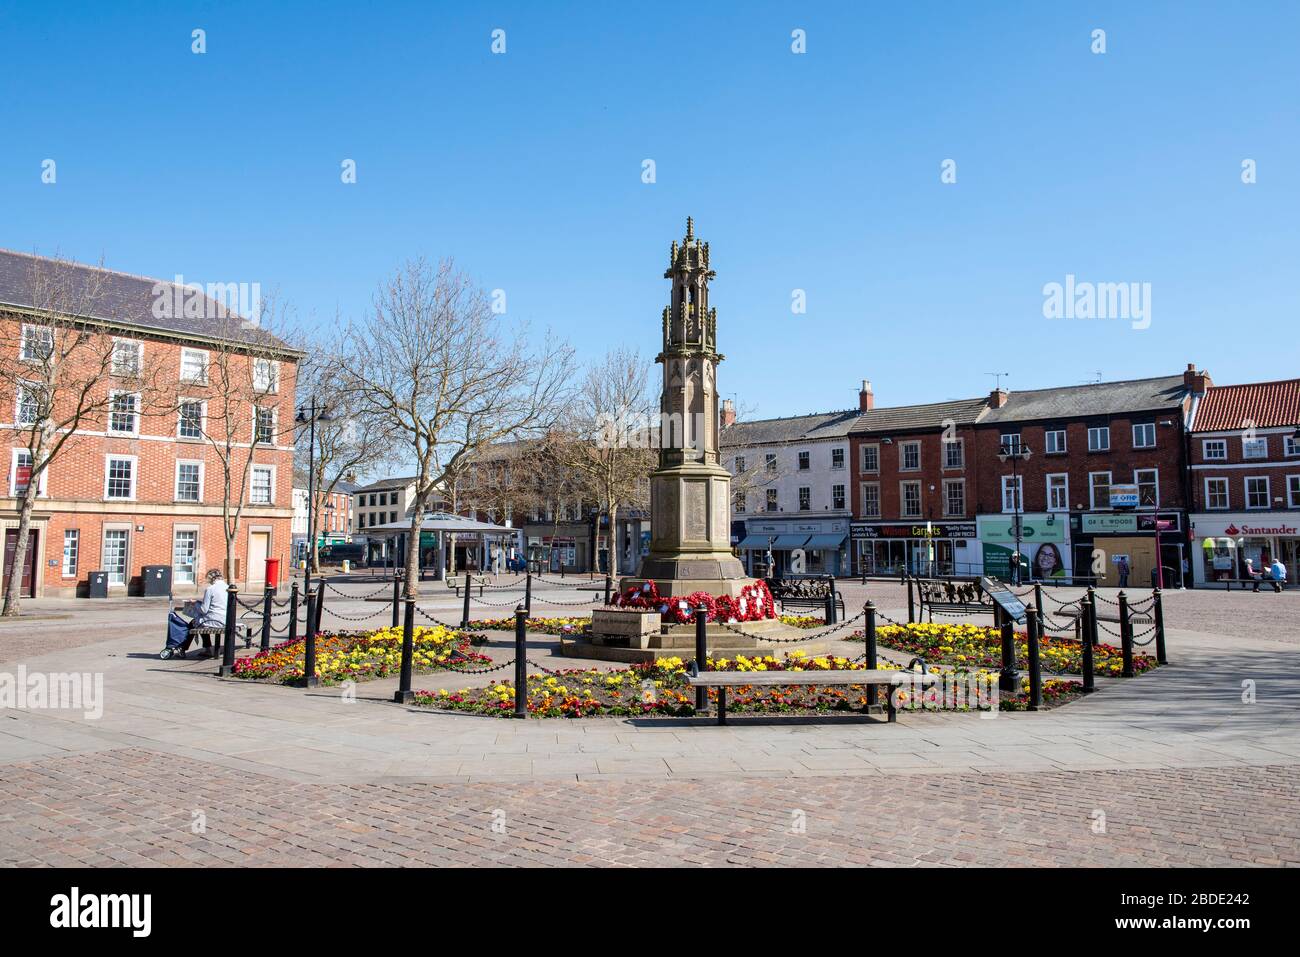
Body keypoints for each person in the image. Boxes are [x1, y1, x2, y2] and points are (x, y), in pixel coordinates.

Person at [160, 568, 228, 659]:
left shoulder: (210, 589)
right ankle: (206, 649)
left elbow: (204, 610)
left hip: (215, 619)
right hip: (226, 619)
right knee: (200, 622)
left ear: (211, 578)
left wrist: (195, 603)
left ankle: (183, 648)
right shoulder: (227, 587)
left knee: (194, 623)